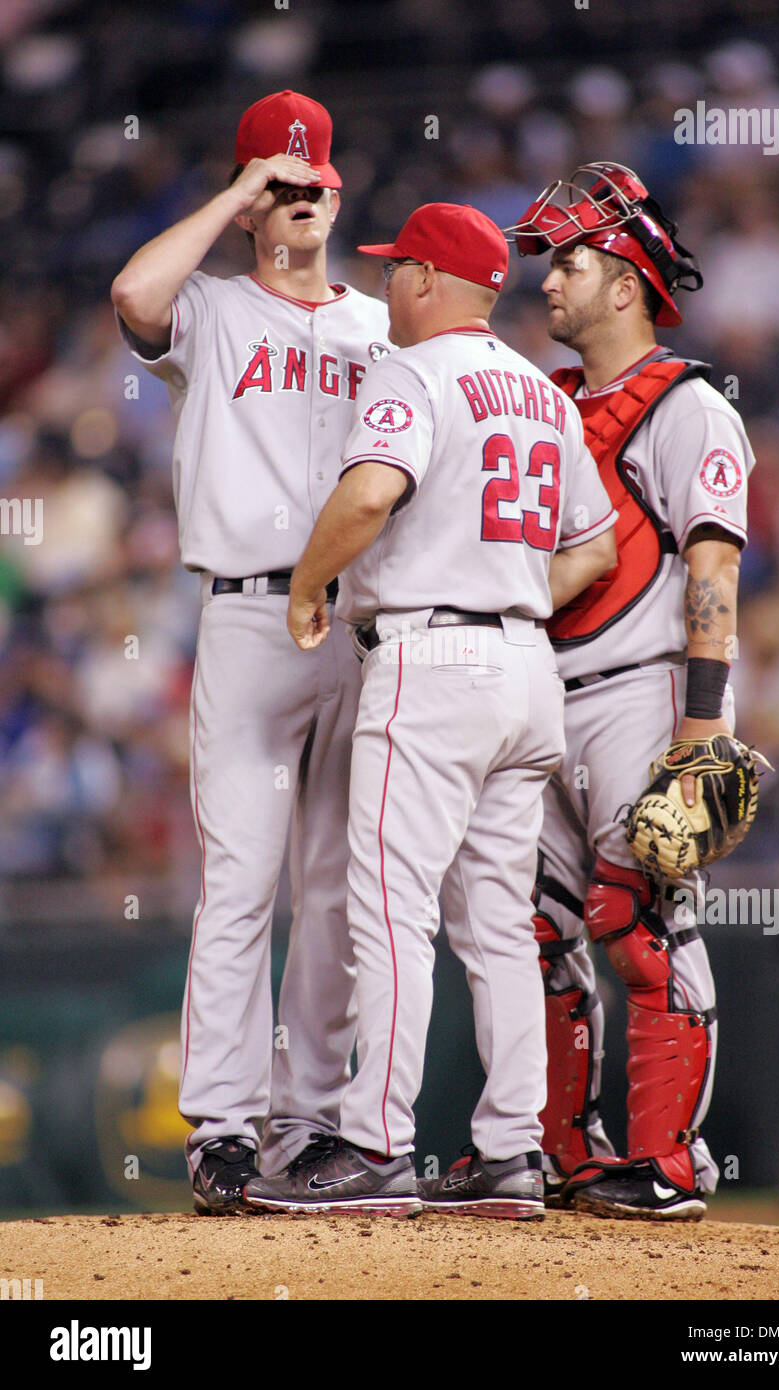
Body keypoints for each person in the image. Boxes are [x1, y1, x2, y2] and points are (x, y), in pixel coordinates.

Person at [243, 202, 617, 1219]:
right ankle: (508, 1156)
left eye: (396, 267)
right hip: (524, 668)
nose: (387, 284)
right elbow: (595, 546)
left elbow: (369, 495)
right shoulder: (541, 393)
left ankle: (372, 1145)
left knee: (392, 912)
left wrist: (309, 584)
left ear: (421, 277)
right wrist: (509, 576)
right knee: (496, 922)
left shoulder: (411, 372)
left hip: (431, 662)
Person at [110, 90, 391, 1213]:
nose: (302, 198)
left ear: (335, 191)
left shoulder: (378, 326)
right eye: (280, 185)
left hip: (361, 623)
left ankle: (311, 1122)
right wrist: (234, 189)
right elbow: (132, 292)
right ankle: (222, 1127)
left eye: (313, 181)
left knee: (331, 887)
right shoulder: (215, 311)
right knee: (239, 881)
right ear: (246, 204)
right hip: (245, 614)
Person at [506, 162, 755, 1220]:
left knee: (637, 921)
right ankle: (571, 1157)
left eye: (569, 257)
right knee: (538, 931)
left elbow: (713, 571)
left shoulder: (688, 405)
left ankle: (667, 1161)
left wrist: (700, 727)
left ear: (626, 282)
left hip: (641, 690)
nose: (548, 277)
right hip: (538, 693)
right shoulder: (546, 403)